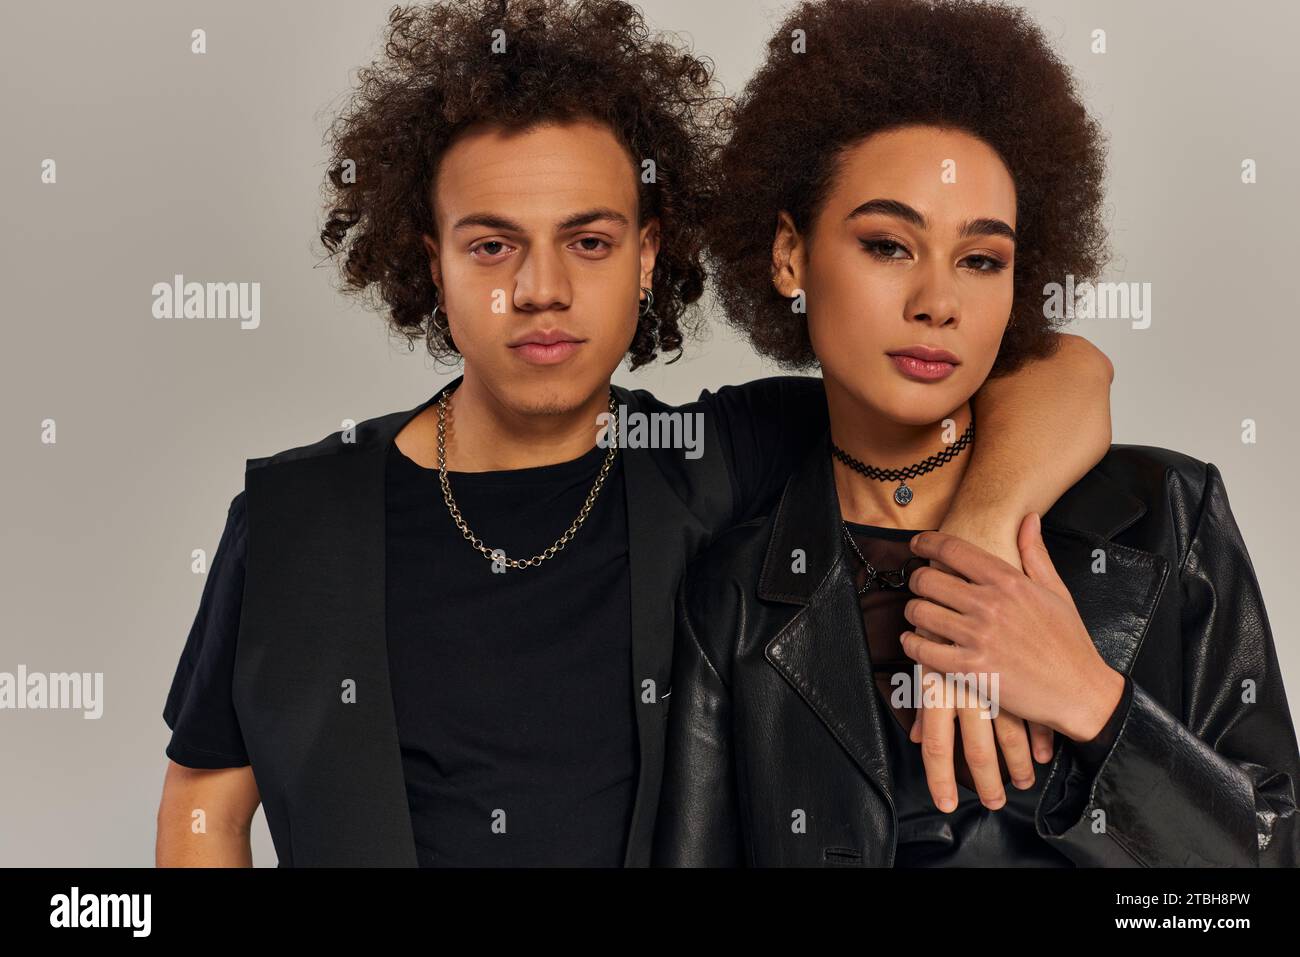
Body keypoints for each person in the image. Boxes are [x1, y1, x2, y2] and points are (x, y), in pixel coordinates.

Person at [156, 0, 1116, 867]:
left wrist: (985, 537)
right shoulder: (293, 515)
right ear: (432, 263)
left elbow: (1060, 372)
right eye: (492, 245)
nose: (542, 289)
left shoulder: (719, 459)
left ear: (647, 255)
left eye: (590, 241)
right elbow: (204, 804)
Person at [652, 0, 1300, 866]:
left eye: (981, 258)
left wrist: (1095, 704)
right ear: (790, 256)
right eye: (888, 244)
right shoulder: (732, 596)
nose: (938, 301)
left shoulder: (1166, 518)